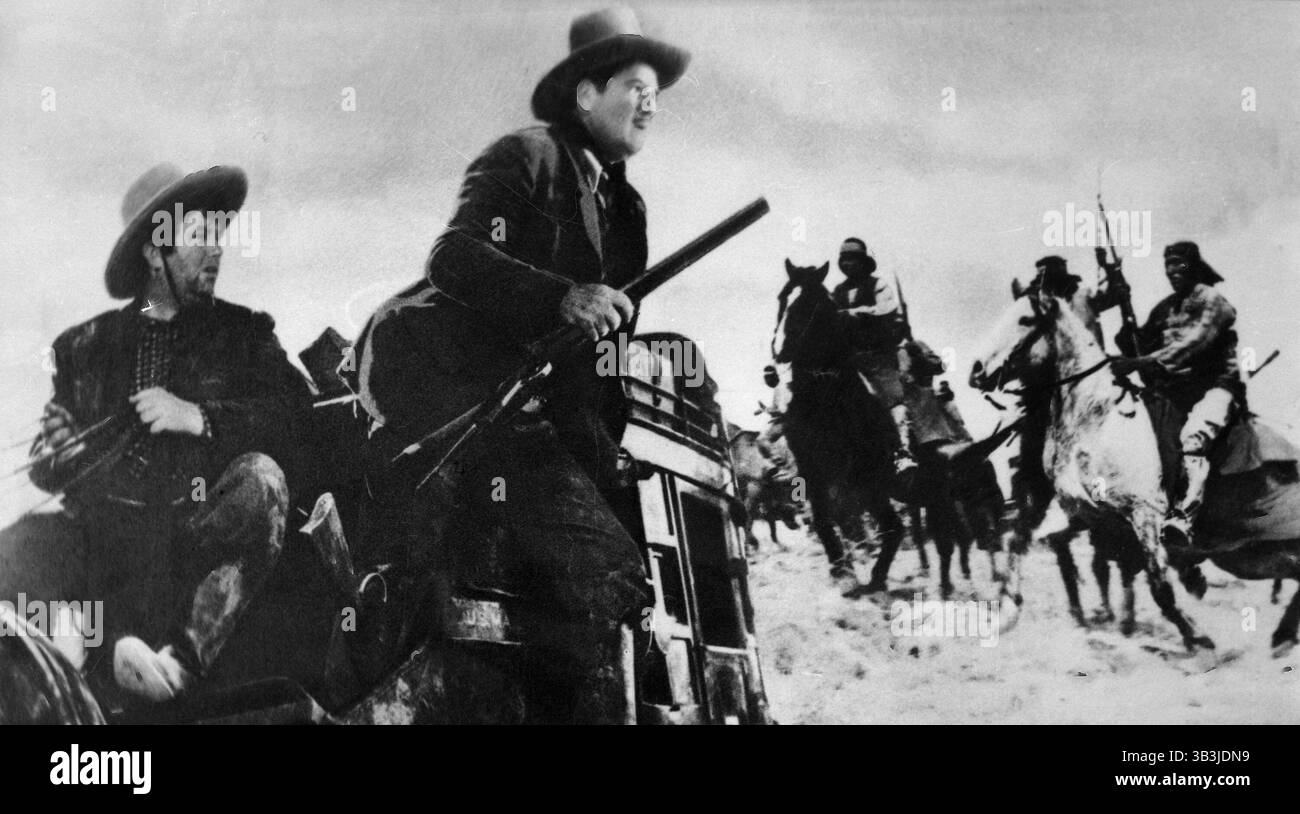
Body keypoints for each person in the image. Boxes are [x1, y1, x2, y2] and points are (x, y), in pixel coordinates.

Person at [353, 7, 690, 724]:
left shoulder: (625, 212)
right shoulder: (525, 157)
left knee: (613, 580)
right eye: (635, 83)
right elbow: (453, 257)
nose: (651, 100)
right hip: (446, 395)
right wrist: (560, 298)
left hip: (535, 423)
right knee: (604, 579)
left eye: (656, 88)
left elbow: (601, 365)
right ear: (585, 95)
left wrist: (607, 463)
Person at [6, 163, 310, 702]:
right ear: (154, 252)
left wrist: (199, 417)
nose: (216, 250)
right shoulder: (86, 346)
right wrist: (62, 453)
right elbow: (46, 458)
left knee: (260, 482)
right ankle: (92, 656)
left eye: (219, 235)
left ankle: (176, 664)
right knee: (18, 545)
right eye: (199, 236)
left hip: (191, 543)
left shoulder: (246, 335)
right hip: (108, 542)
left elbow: (297, 417)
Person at [1109, 242, 1243, 557]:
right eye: (1168, 267)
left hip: (1216, 388)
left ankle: (1183, 517)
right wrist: (1123, 306)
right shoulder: (1166, 306)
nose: (1172, 273)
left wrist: (1140, 363)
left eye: (1179, 266)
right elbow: (1141, 344)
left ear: (1194, 267)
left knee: (1192, 438)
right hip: (1176, 391)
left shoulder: (1213, 300)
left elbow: (1192, 343)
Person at [831, 237, 918, 478]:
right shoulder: (837, 292)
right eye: (844, 260)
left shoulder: (878, 285)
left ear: (863, 262)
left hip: (879, 357)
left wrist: (854, 313)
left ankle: (903, 452)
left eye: (853, 259)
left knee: (895, 400)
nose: (848, 264)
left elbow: (887, 309)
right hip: (850, 360)